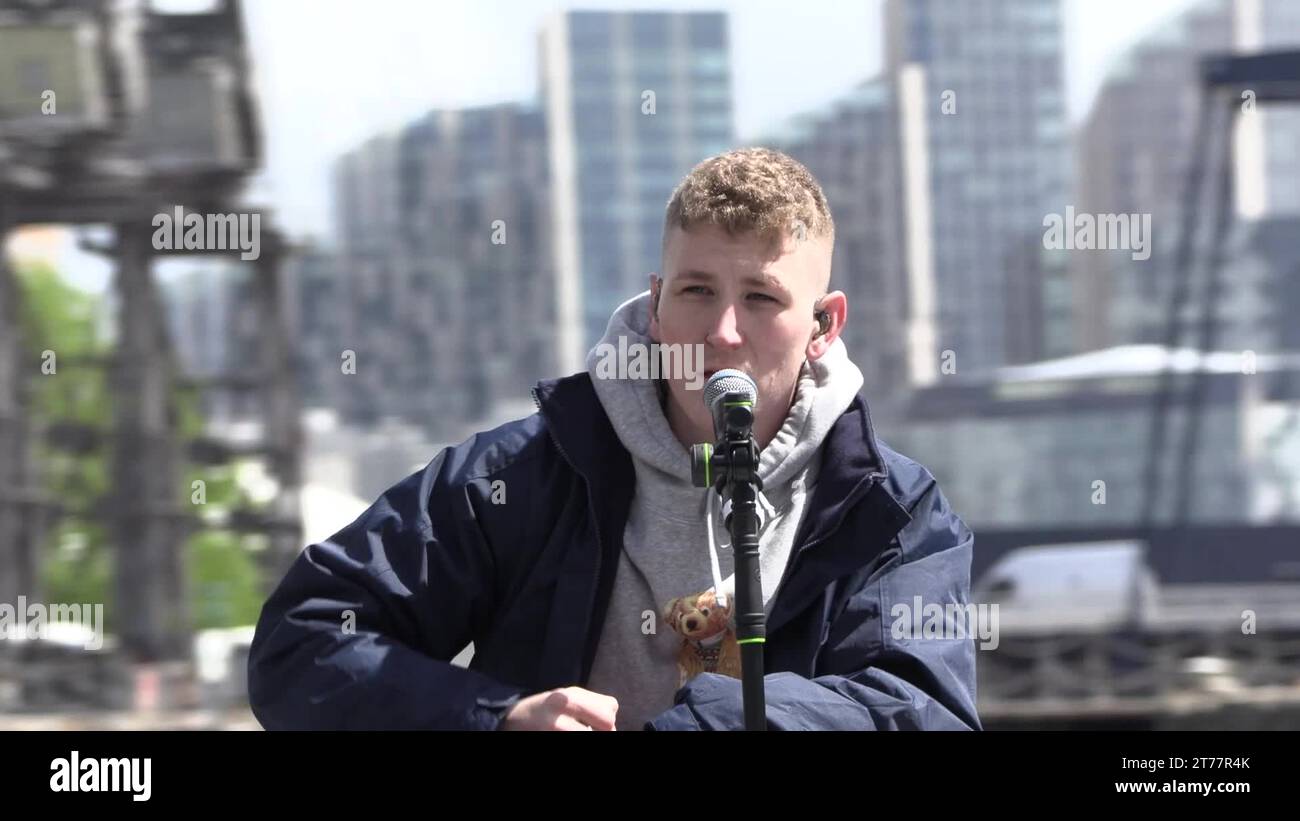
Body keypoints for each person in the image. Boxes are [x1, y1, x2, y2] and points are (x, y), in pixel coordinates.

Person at [247, 147, 981, 731]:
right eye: (696, 291)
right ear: (655, 304)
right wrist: (495, 717)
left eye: (761, 297)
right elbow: (302, 643)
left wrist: (706, 722)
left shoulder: (895, 511)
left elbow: (923, 710)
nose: (723, 333)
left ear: (826, 325)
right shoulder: (522, 475)